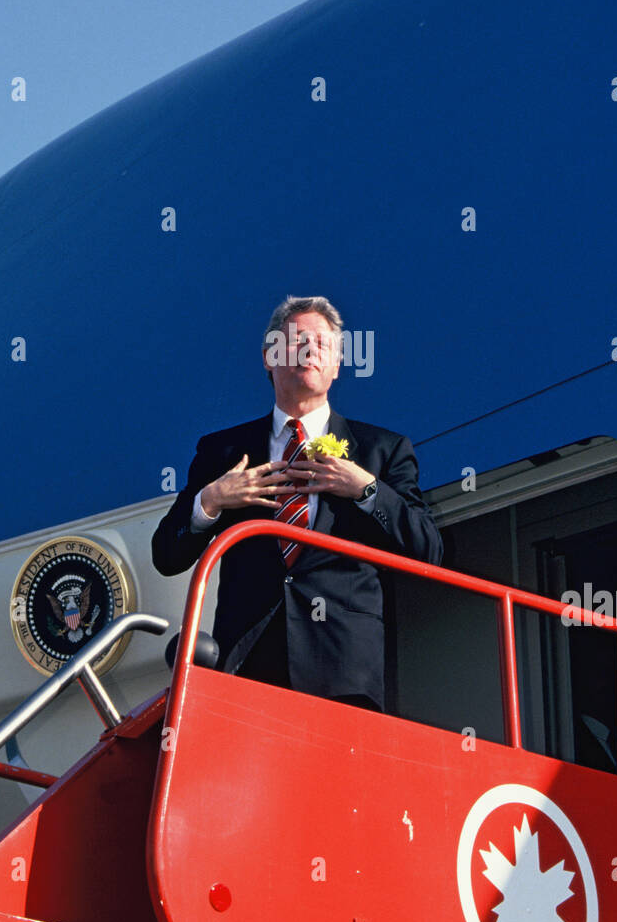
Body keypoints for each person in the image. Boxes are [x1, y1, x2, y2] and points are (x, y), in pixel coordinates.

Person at [151, 295, 443, 710]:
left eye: (322, 345)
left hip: (342, 670)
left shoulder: (383, 450)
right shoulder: (222, 451)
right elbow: (166, 554)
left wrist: (366, 489)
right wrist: (212, 499)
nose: (309, 352)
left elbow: (427, 550)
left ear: (338, 366)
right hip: (246, 664)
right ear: (269, 357)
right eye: (297, 341)